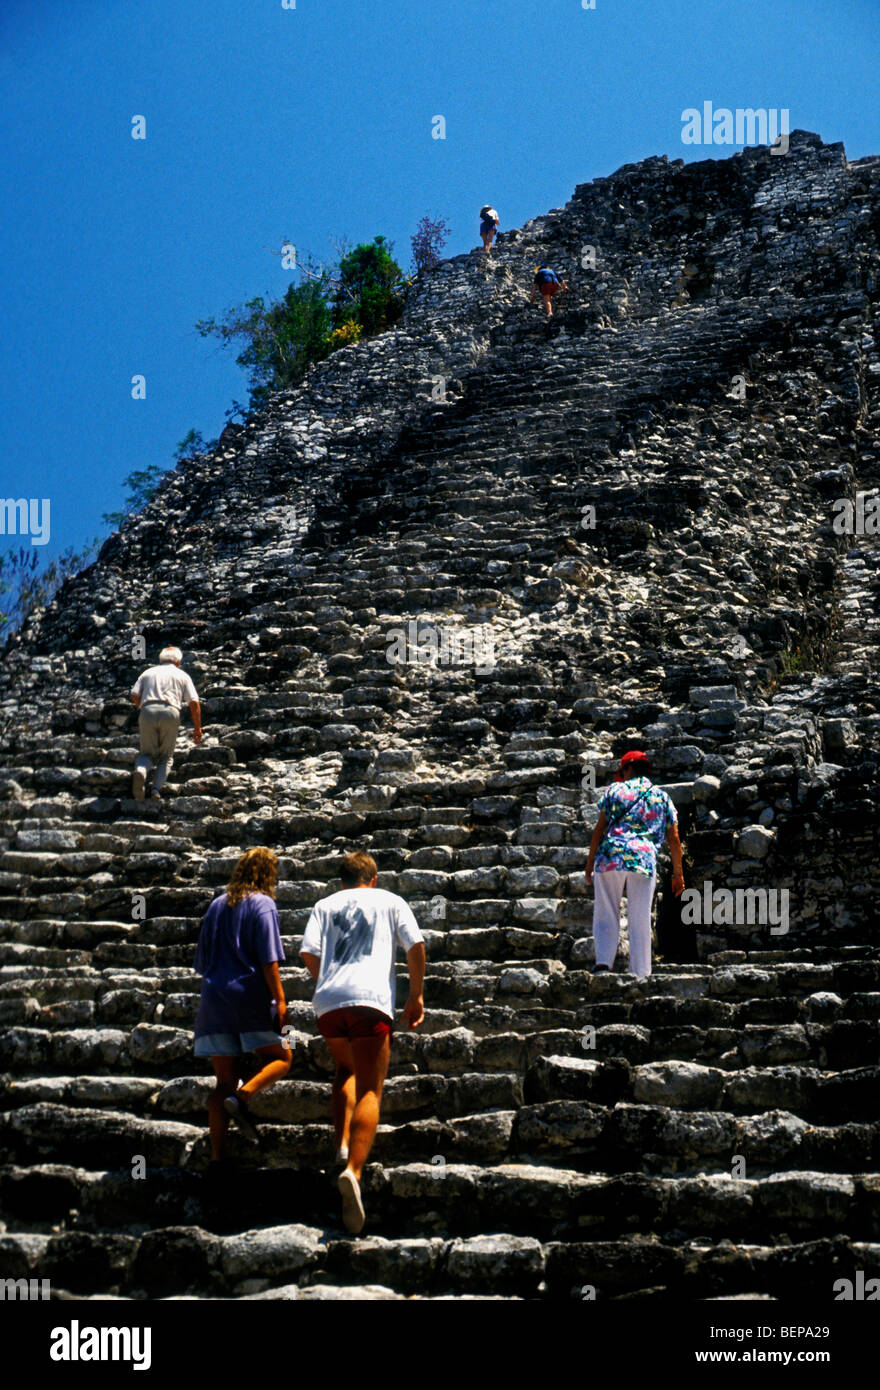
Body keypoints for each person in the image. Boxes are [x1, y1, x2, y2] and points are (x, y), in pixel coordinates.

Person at [300, 851, 426, 1234]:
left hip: (329, 1003)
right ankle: (353, 1171)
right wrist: (415, 995)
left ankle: (340, 1145)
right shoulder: (390, 900)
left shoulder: (325, 904)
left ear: (341, 881)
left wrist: (329, 983)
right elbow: (415, 946)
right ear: (373, 878)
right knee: (371, 1086)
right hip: (370, 1000)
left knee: (344, 1068)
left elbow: (307, 952)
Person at [193, 847, 291, 1167]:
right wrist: (279, 998)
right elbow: (268, 958)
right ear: (268, 874)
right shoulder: (263, 904)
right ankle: (243, 1097)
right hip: (248, 997)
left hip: (213, 999)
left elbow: (201, 962)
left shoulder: (217, 905)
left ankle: (218, 1156)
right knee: (281, 1057)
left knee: (222, 1082)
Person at [584, 751, 684, 979]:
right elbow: (674, 839)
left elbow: (599, 829)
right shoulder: (661, 796)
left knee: (606, 911)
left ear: (627, 769)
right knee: (640, 917)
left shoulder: (614, 790)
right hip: (643, 859)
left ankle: (603, 964)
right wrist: (678, 874)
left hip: (611, 856)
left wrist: (590, 862)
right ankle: (640, 972)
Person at [129, 645, 201, 801]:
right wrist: (197, 728)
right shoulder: (182, 675)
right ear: (178, 661)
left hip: (147, 710)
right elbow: (194, 703)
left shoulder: (148, 672)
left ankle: (141, 771)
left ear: (161, 659)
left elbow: (134, 694)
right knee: (166, 756)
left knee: (147, 753)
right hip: (171, 711)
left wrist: (143, 706)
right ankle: (155, 789)